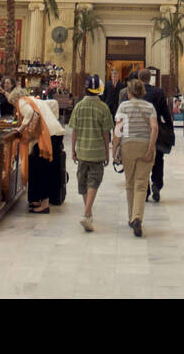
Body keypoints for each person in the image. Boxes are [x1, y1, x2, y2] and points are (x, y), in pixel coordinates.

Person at [67, 74, 114, 232]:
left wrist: (73, 149)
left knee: (83, 182)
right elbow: (106, 133)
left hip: (82, 151)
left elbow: (74, 130)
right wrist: (108, 154)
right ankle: (87, 213)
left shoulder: (79, 106)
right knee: (94, 181)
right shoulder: (103, 108)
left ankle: (88, 213)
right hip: (97, 152)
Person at [113, 78, 157, 237]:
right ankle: (137, 217)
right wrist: (150, 148)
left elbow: (118, 129)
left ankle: (132, 217)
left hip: (128, 146)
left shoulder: (123, 106)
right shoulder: (149, 107)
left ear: (129, 92)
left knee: (130, 183)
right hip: (145, 144)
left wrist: (114, 149)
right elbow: (154, 128)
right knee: (141, 184)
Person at [16, 90, 64, 213]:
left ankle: (44, 204)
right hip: (55, 134)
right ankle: (39, 200)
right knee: (41, 167)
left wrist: (20, 129)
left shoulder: (22, 102)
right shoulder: (34, 100)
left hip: (49, 136)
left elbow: (29, 113)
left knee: (42, 169)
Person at [139, 68, 174, 203]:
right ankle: (157, 185)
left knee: (143, 160)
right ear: (150, 78)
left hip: (141, 131)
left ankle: (146, 189)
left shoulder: (136, 92)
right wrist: (169, 128)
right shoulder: (158, 92)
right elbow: (165, 113)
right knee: (158, 158)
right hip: (156, 131)